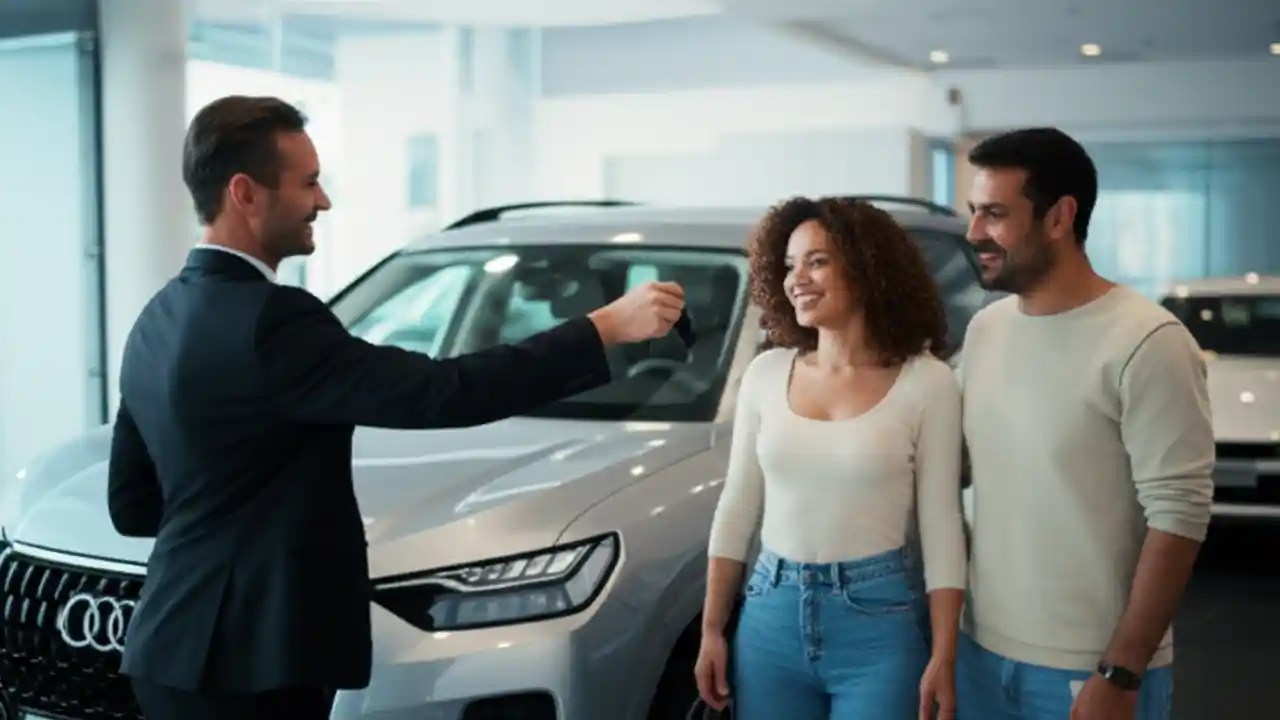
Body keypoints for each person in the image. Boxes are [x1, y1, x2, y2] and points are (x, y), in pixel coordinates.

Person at [106, 95, 685, 720]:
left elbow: (132, 504)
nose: (322, 202)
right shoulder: (274, 319)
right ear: (245, 193)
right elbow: (445, 391)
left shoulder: (158, 316)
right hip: (254, 663)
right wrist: (600, 328)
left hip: (166, 648)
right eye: (309, 182)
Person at [955, 127, 1215, 720]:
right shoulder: (986, 332)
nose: (974, 234)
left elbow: (1179, 517)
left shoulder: (1149, 341)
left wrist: (1121, 673)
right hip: (978, 653)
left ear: (1059, 217)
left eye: (994, 214)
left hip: (1090, 667)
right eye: (974, 212)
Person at [694, 196, 968, 719]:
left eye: (817, 261)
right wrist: (711, 630)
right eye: (791, 264)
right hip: (769, 618)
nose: (798, 278)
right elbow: (736, 508)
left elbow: (941, 525)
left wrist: (944, 655)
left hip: (878, 622)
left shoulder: (927, 382)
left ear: (867, 269)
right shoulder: (767, 373)